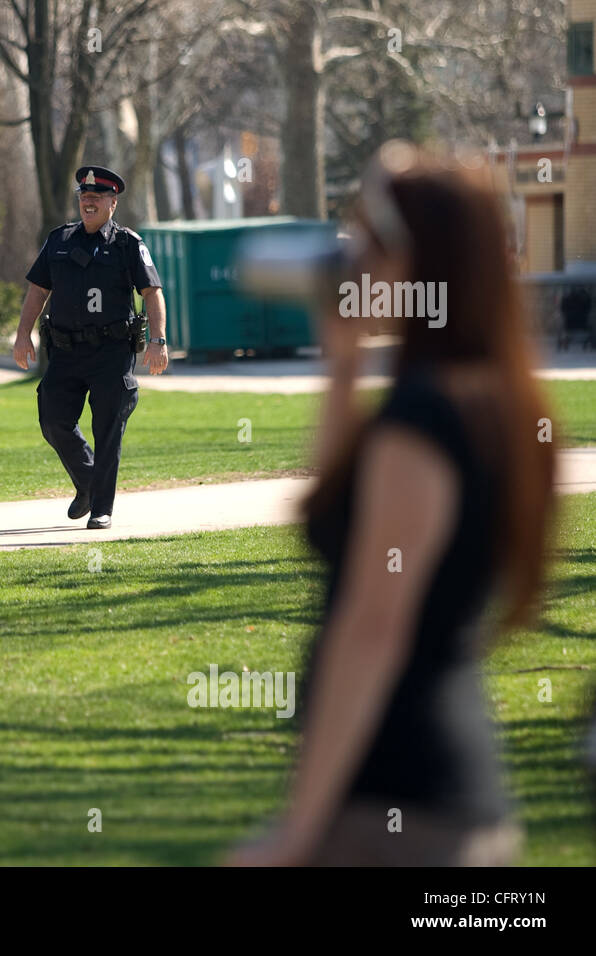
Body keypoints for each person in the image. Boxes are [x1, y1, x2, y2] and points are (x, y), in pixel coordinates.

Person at [229, 142, 556, 866]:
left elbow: (374, 627)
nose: (353, 260)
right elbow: (338, 510)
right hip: (438, 808)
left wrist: (298, 832)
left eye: (372, 241)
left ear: (421, 264)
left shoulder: (421, 425)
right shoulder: (485, 402)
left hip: (396, 818)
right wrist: (344, 365)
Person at [12, 165, 167, 530]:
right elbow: (38, 290)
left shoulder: (129, 244)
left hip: (111, 353)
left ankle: (101, 507)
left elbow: (152, 293)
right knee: (52, 420)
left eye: (97, 197)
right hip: (65, 351)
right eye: (84, 196)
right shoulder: (59, 240)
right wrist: (23, 334)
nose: (89, 202)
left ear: (113, 203)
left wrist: (158, 341)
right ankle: (88, 481)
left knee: (108, 427)